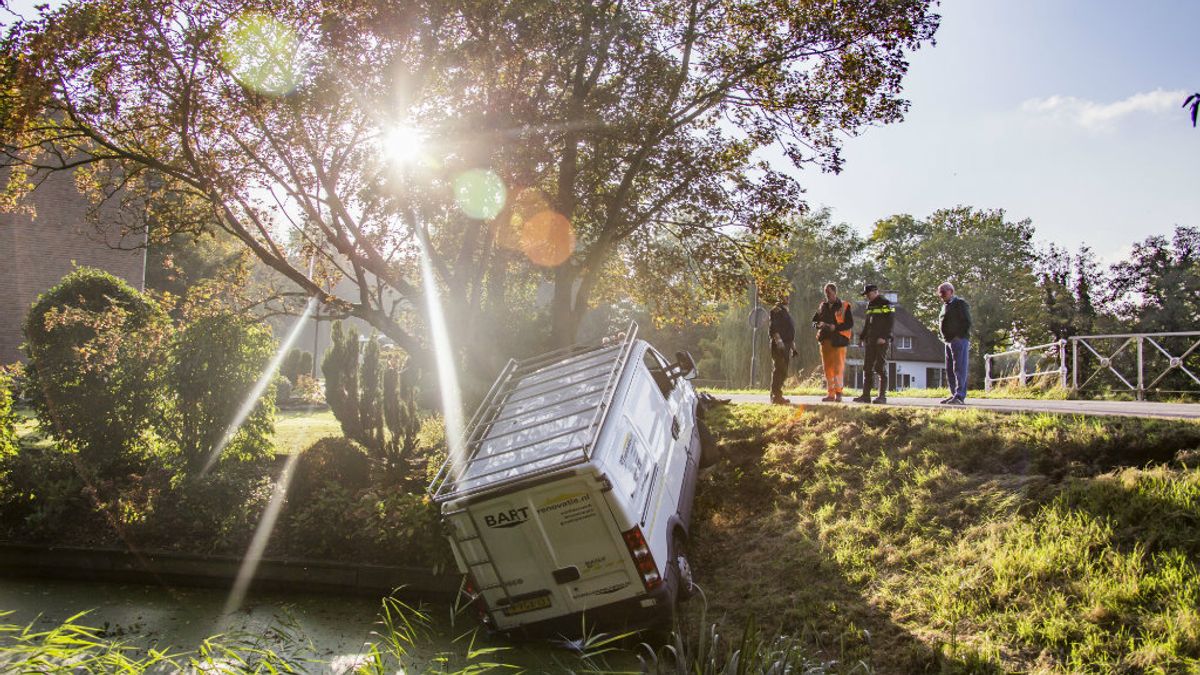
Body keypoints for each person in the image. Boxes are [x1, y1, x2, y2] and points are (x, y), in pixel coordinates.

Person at [811, 282, 853, 402]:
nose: (827, 294)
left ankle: (839, 393)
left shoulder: (844, 306)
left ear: (835, 292)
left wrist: (835, 327)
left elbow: (849, 324)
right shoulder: (822, 306)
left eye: (829, 292)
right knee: (828, 368)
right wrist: (818, 324)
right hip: (825, 341)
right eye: (825, 292)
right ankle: (830, 394)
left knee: (838, 368)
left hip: (839, 341)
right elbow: (814, 321)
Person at [852, 284, 894, 404]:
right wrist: (861, 338)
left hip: (881, 340)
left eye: (868, 294)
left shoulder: (885, 303)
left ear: (875, 292)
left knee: (880, 367)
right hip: (870, 340)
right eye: (866, 295)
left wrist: (884, 337)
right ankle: (866, 396)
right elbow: (868, 323)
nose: (867, 297)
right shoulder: (869, 305)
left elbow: (890, 321)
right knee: (867, 367)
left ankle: (882, 396)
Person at [938, 282, 972, 405]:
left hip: (958, 340)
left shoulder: (960, 304)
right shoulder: (944, 306)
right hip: (948, 341)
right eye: (940, 292)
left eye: (944, 292)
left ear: (951, 291)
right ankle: (954, 394)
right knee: (950, 369)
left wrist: (958, 336)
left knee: (959, 368)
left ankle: (960, 395)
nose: (941, 295)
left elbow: (967, 322)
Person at [768, 297, 797, 405]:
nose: (787, 298)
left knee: (783, 371)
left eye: (788, 296)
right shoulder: (776, 310)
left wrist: (793, 346)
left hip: (787, 344)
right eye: (785, 296)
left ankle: (778, 394)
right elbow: (773, 327)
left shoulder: (785, 311)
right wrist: (778, 341)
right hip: (779, 344)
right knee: (779, 369)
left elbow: (789, 329)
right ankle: (776, 395)